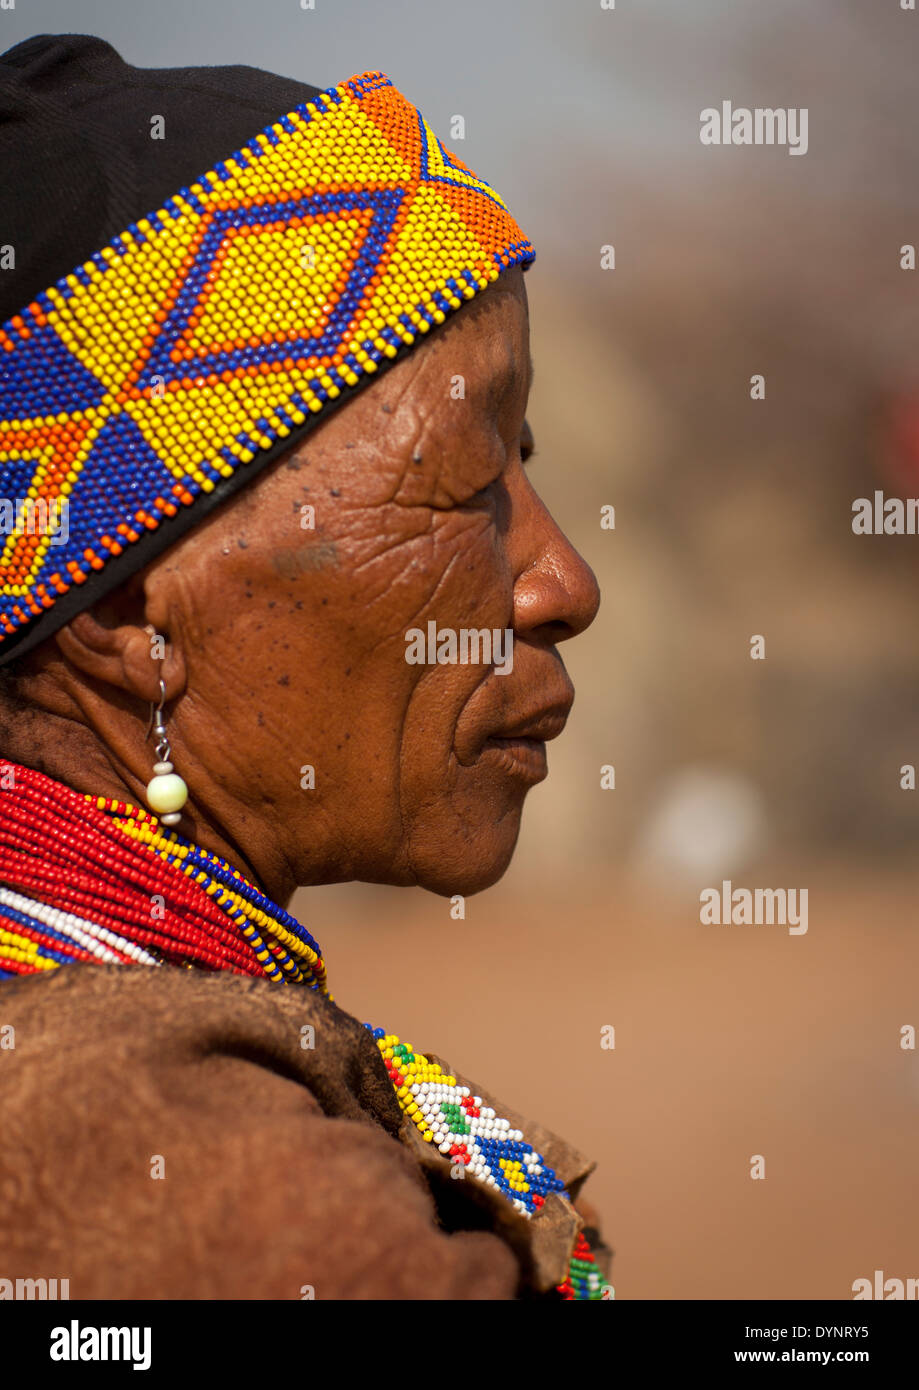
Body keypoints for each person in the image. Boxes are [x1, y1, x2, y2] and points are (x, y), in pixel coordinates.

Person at [0, 34, 606, 1299]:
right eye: (463, 490)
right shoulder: (167, 1168)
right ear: (124, 612)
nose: (561, 586)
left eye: (526, 461)